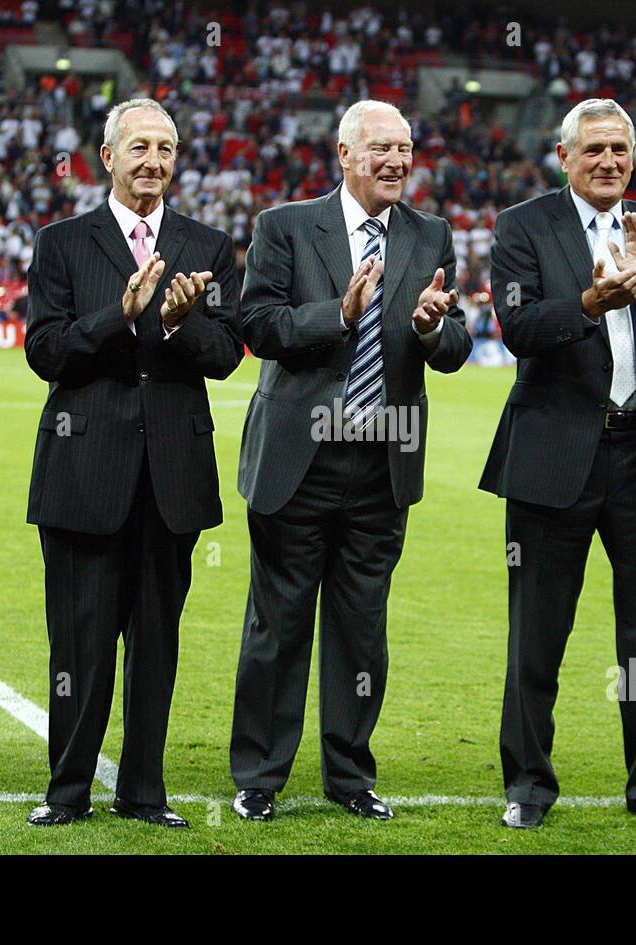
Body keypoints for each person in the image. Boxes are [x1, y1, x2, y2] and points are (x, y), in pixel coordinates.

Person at [480, 98, 636, 830]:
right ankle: (528, 785)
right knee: (538, 630)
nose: (611, 161)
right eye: (595, 150)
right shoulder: (522, 226)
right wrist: (591, 300)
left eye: (621, 148)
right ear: (564, 156)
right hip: (555, 452)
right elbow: (517, 327)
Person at [230, 100, 471, 822]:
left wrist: (432, 330)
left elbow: (455, 346)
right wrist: (337, 312)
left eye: (404, 148)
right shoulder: (285, 225)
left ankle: (350, 774)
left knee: (362, 626)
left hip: (380, 464)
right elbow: (257, 324)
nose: (396, 161)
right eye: (381, 148)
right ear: (343, 152)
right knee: (279, 622)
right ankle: (260, 775)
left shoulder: (432, 234)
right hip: (298, 459)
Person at [23, 98, 243, 828]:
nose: (154, 160)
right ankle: (67, 792)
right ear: (107, 155)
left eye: (166, 147)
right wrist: (117, 314)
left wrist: (180, 323)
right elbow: (44, 350)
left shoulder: (208, 245)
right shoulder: (63, 241)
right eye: (139, 146)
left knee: (155, 643)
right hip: (84, 473)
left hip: (171, 479)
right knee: (78, 645)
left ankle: (145, 793)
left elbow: (226, 356)